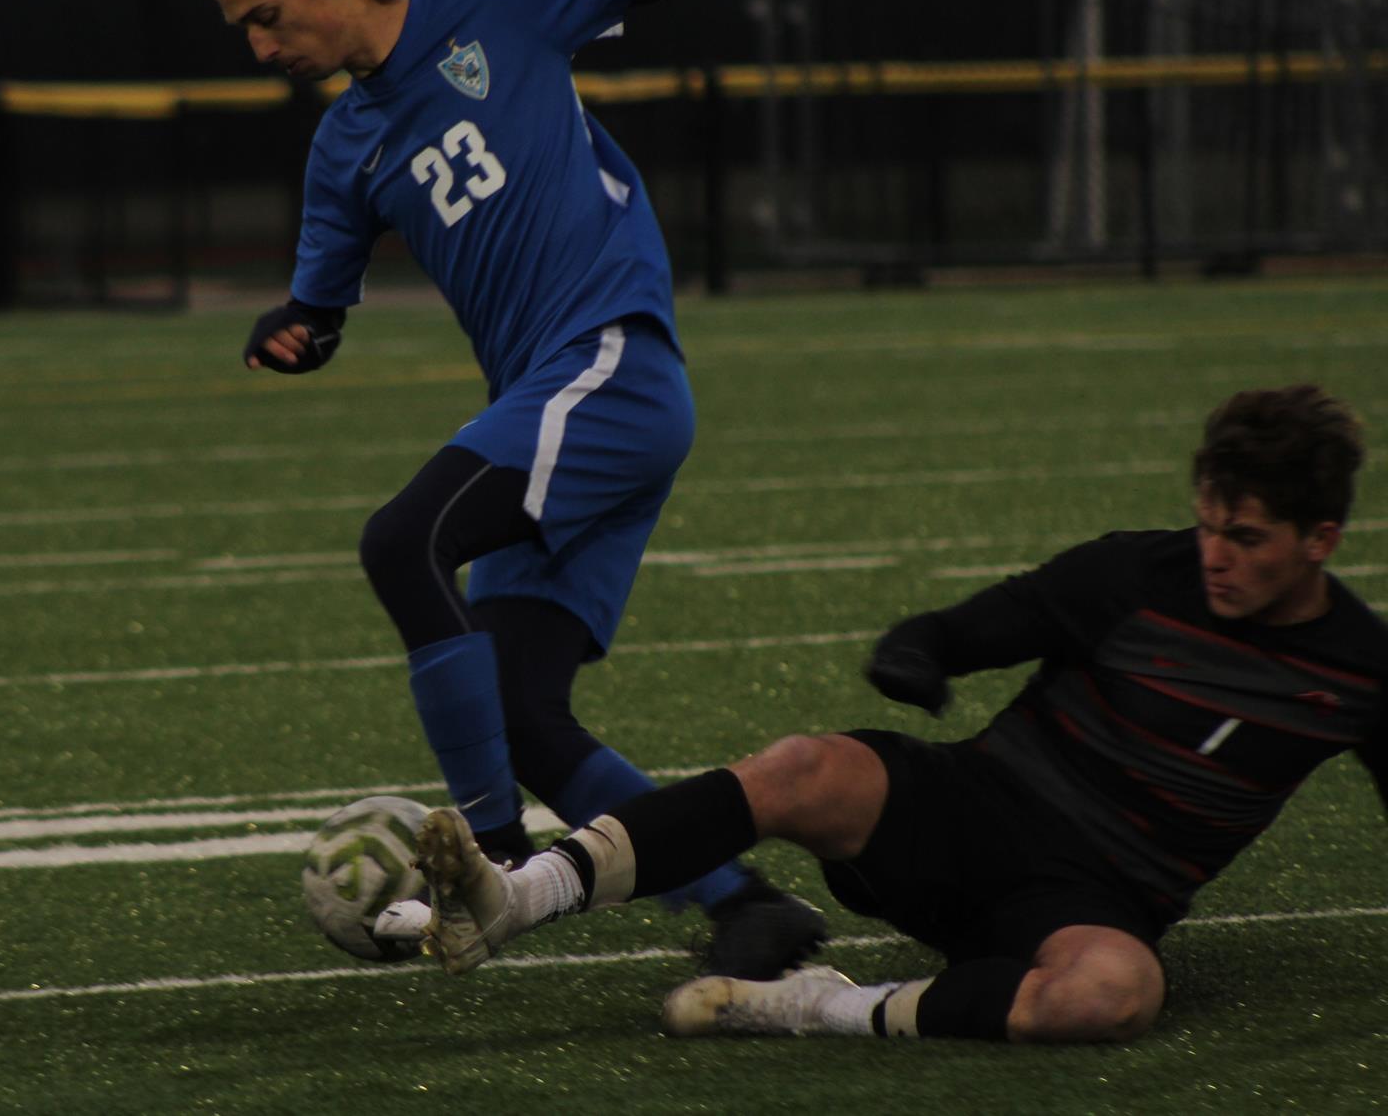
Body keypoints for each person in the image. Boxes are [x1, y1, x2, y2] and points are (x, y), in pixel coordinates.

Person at [206, 0, 823, 979]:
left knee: (403, 541)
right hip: (554, 401)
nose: (258, 46)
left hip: (608, 370)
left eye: (266, 15)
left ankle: (490, 847)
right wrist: (293, 334)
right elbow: (320, 302)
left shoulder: (497, 4)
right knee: (524, 710)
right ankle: (745, 905)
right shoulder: (342, 142)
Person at [414, 384, 1388, 1044]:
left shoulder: (1358, 672)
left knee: (1117, 992)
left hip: (1085, 905)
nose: (1213, 551)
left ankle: (819, 1008)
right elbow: (985, 621)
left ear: (1320, 541)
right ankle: (516, 899)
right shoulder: (1138, 572)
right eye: (1208, 521)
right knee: (802, 764)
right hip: (970, 809)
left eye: (1246, 536)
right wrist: (920, 648)